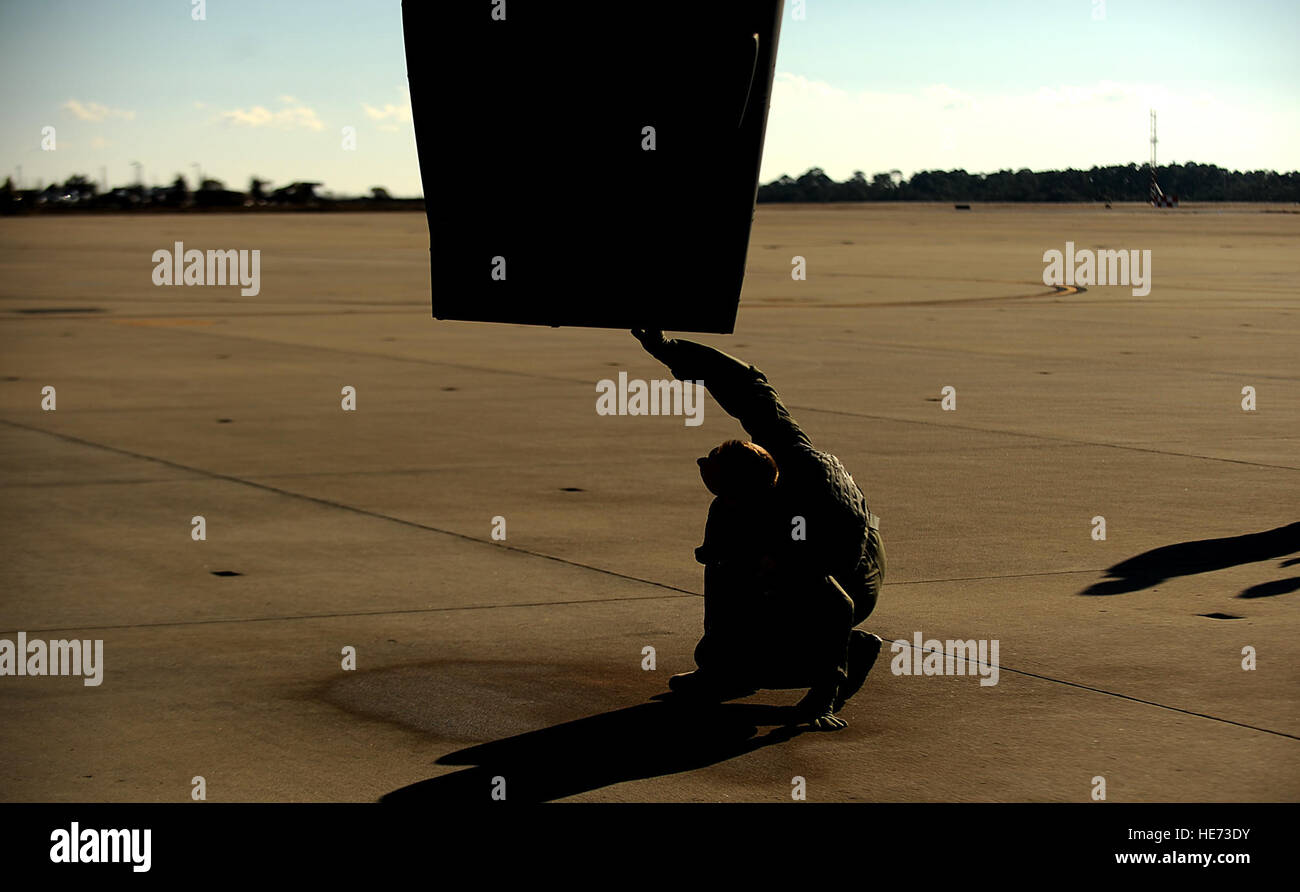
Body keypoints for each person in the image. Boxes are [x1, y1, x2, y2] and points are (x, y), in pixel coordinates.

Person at [632, 330, 885, 731]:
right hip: (787, 544)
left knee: (775, 651)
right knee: (724, 563)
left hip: (850, 569)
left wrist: (824, 696)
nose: (701, 461)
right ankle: (721, 669)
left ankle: (852, 653)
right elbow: (748, 384)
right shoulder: (778, 447)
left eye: (712, 468)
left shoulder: (812, 519)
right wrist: (669, 350)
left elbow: (838, 605)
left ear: (747, 492)